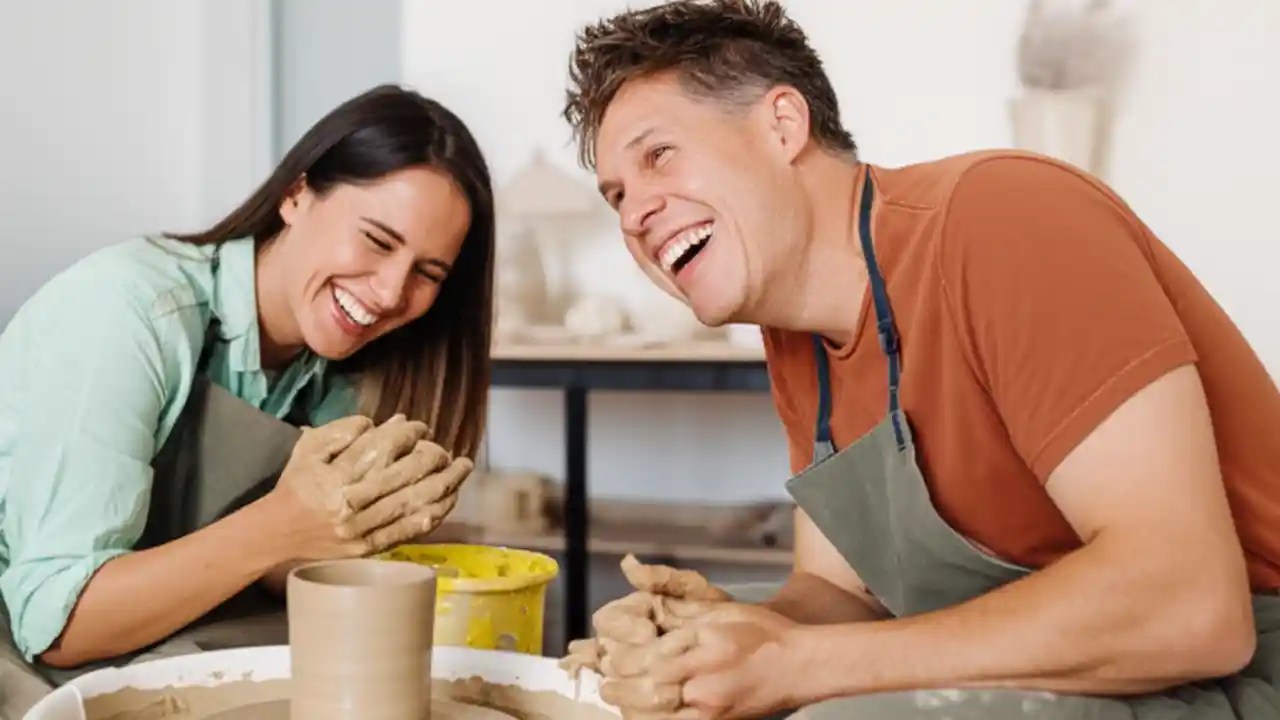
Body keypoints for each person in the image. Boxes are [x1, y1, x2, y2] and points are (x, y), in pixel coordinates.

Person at [560, 1, 1280, 718]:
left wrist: (798, 662)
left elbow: (1190, 606)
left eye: (659, 156)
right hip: (1053, 653)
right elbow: (844, 594)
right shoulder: (796, 336)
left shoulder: (1005, 218)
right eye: (616, 195)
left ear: (783, 125)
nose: (632, 217)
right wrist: (729, 636)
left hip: (1232, 666)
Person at [0, 84, 492, 715]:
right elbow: (58, 626)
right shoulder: (128, 311)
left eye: (429, 273)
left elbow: (271, 569)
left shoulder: (335, 369)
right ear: (296, 196)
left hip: (156, 646)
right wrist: (281, 526)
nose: (393, 292)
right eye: (376, 240)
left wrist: (365, 540)